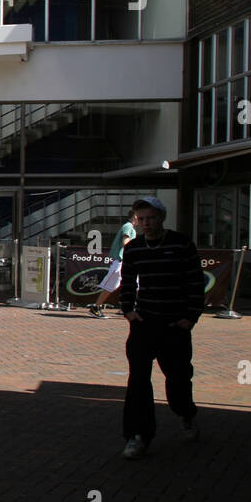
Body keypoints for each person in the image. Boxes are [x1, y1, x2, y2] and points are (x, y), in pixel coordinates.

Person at [119, 196, 206, 460]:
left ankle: (185, 412)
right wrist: (128, 311)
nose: (145, 223)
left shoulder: (181, 244)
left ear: (161, 218)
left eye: (150, 218)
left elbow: (195, 282)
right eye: (141, 219)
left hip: (174, 325)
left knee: (178, 380)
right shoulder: (134, 248)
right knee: (138, 382)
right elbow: (127, 282)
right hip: (144, 324)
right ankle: (137, 435)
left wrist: (190, 318)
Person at [91, 209, 140, 317]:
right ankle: (95, 307)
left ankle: (128, 307)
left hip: (126, 262)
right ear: (135, 216)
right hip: (121, 262)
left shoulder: (129, 227)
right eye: (140, 217)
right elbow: (125, 243)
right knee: (110, 286)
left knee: (134, 285)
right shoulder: (128, 227)